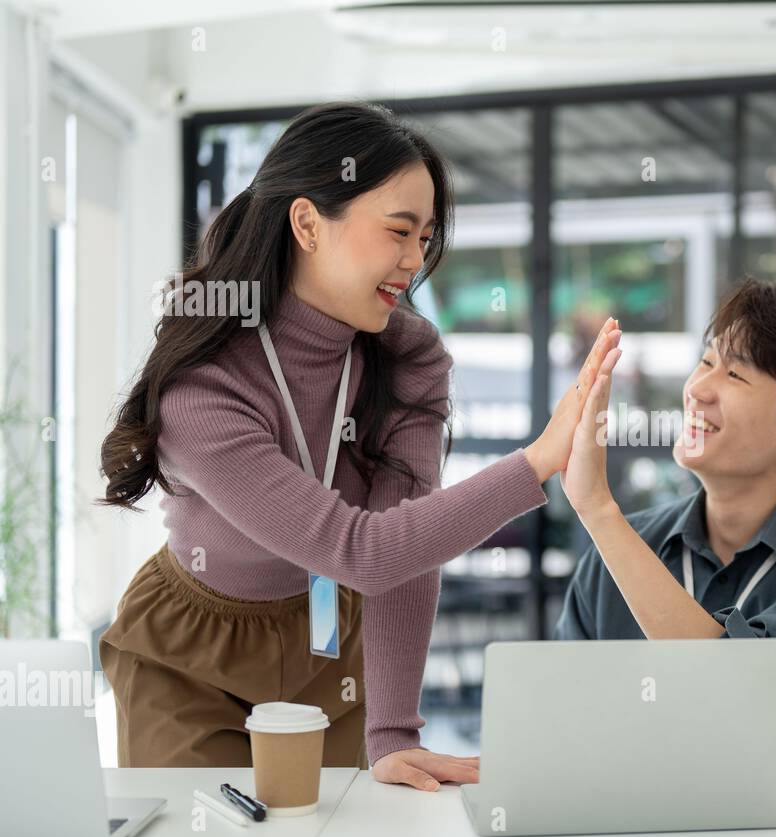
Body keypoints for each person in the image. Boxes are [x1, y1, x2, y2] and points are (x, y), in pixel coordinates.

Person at [96, 102, 622, 792]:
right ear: (309, 223)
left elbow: (405, 546)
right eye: (398, 232)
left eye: (426, 236)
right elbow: (362, 552)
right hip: (194, 646)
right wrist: (539, 461)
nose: (415, 261)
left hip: (327, 637)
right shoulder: (202, 387)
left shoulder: (408, 357)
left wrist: (394, 731)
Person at [554, 276, 776, 770]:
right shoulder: (617, 552)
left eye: (735, 376)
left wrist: (597, 508)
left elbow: (736, 705)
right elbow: (562, 729)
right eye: (706, 362)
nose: (697, 390)